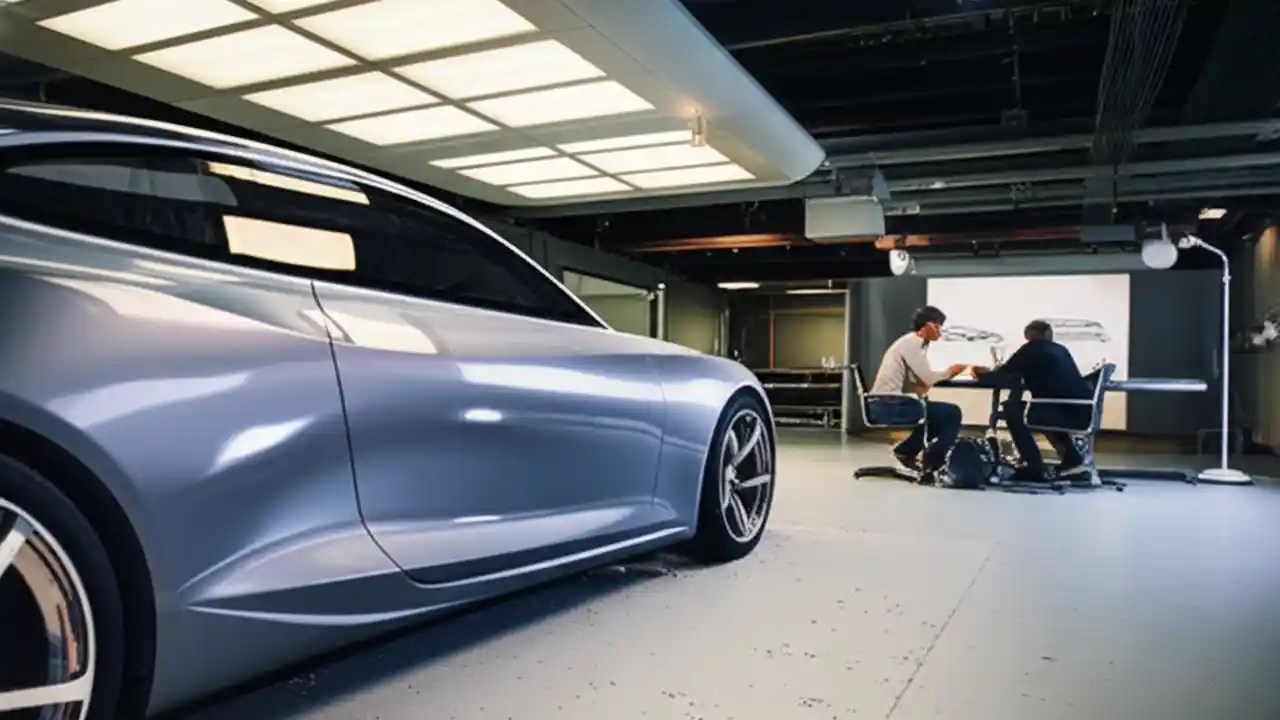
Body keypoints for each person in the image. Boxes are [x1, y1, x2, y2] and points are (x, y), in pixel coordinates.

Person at [973, 319, 1092, 481]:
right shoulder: (1060, 350)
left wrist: (978, 372)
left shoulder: (1032, 350)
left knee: (1012, 411)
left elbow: (999, 377)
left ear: (1031, 334)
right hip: (1080, 411)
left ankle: (1034, 466)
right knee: (1037, 409)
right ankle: (1071, 458)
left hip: (1059, 411)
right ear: (1048, 333)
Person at [868, 305, 969, 477]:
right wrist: (952, 371)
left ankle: (907, 451)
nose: (940, 332)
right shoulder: (912, 343)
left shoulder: (912, 343)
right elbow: (927, 378)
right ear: (928, 325)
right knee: (952, 413)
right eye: (938, 326)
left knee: (933, 413)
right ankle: (933, 463)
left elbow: (920, 383)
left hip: (887, 403)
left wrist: (931, 381)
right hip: (889, 405)